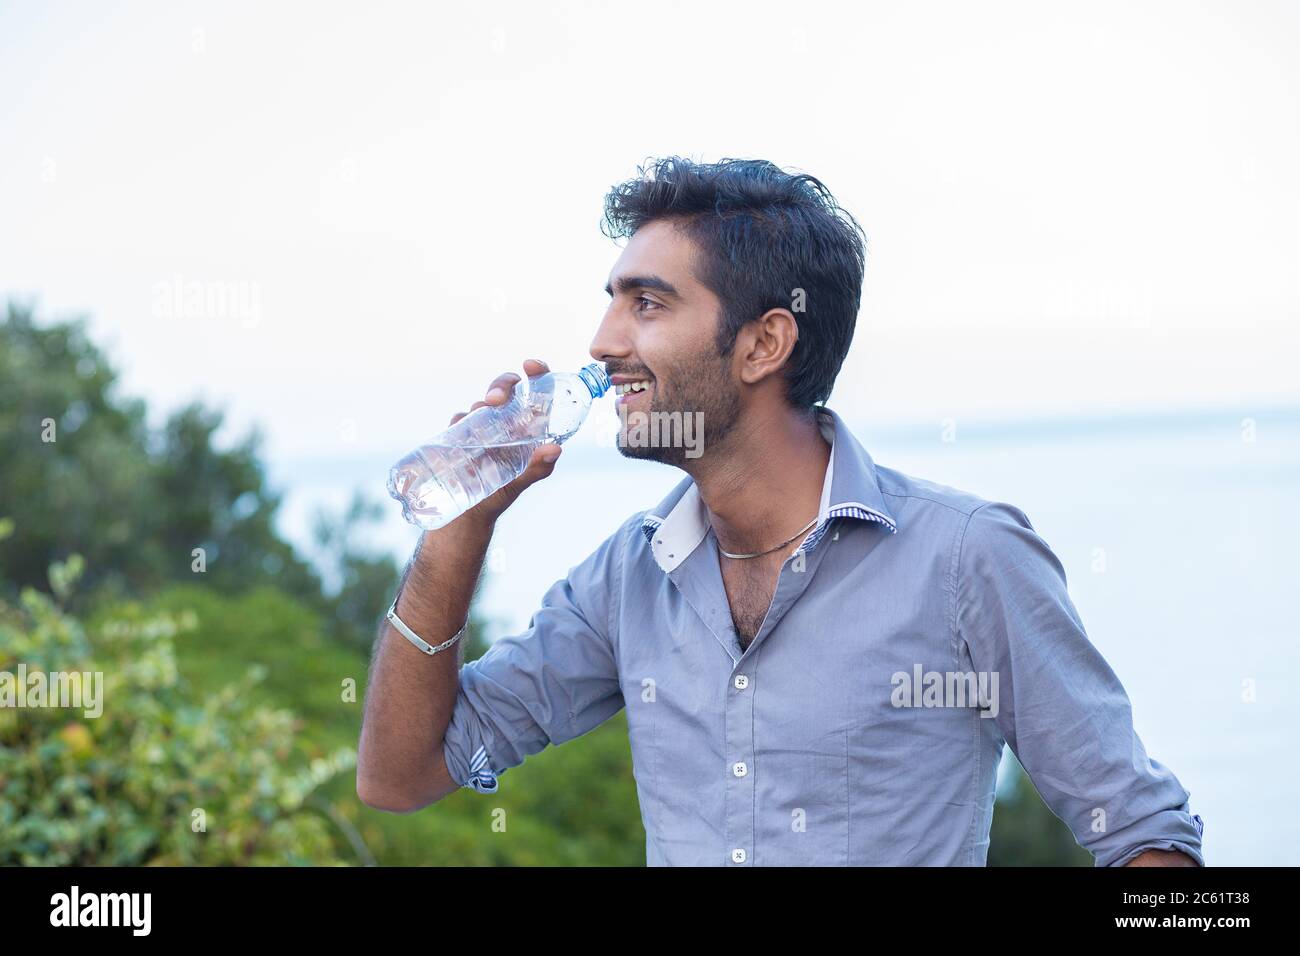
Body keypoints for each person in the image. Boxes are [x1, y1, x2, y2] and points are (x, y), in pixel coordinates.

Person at [356, 157, 1205, 866]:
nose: (604, 342)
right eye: (614, 300)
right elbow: (402, 776)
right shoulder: (631, 575)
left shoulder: (965, 558)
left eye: (646, 304)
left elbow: (1142, 834)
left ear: (765, 343)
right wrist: (458, 530)